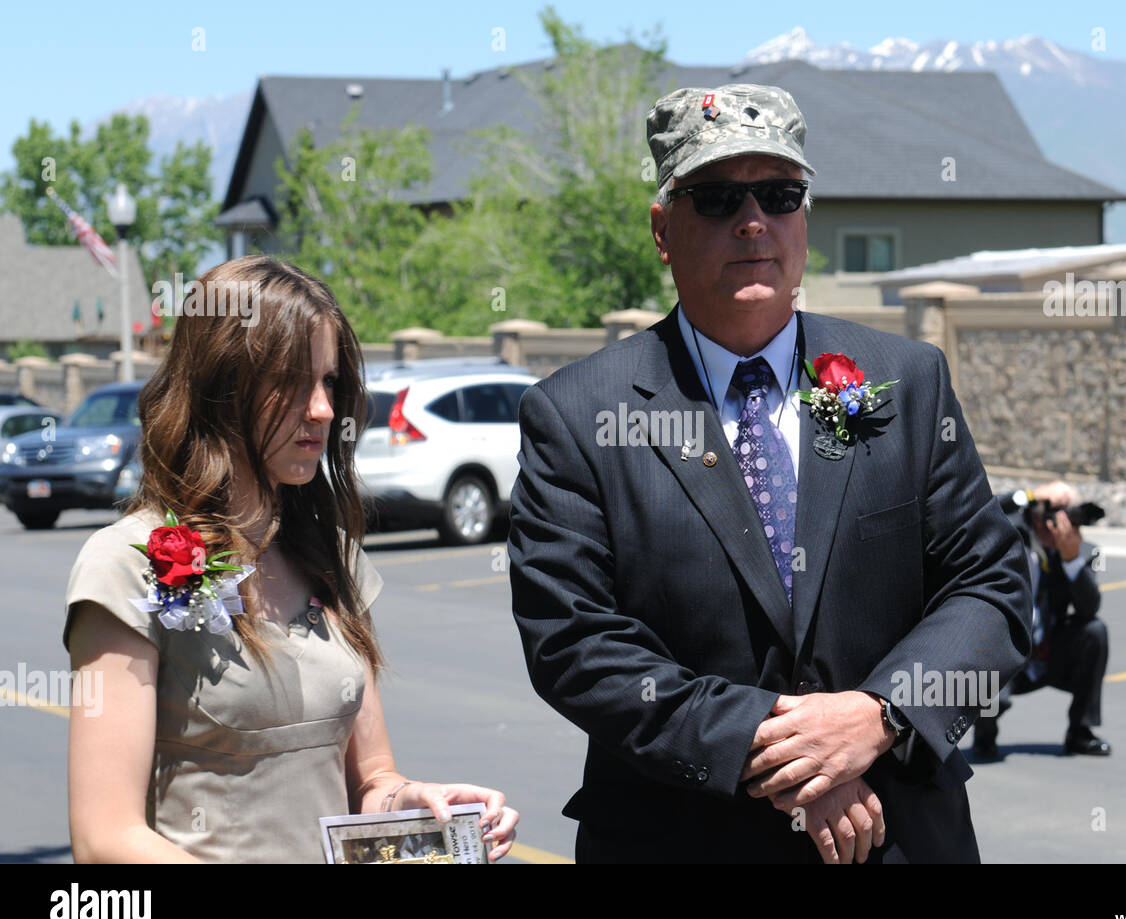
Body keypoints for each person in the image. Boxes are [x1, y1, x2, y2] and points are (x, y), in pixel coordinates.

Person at [507, 84, 1033, 863]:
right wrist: (782, 745)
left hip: (896, 835)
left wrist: (876, 716)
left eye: (780, 194)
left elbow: (993, 588)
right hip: (682, 838)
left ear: (805, 221)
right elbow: (574, 641)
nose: (753, 221)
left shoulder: (906, 380)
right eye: (717, 199)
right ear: (662, 229)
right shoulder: (577, 415)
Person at [63, 256, 519, 863]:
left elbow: (371, 781)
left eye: (329, 381)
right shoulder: (126, 565)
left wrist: (419, 807)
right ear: (221, 385)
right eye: (293, 382)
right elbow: (104, 839)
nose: (324, 408)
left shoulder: (329, 555)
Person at [974, 480, 1111, 759]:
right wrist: (1031, 495)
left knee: (1095, 631)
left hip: (1048, 652)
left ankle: (1080, 733)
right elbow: (980, 510)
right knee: (985, 646)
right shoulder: (1010, 535)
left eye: (1068, 515)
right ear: (1035, 515)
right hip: (1009, 646)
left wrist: (1071, 559)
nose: (1056, 525)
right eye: (1052, 513)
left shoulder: (1082, 550)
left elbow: (1089, 608)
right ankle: (984, 736)